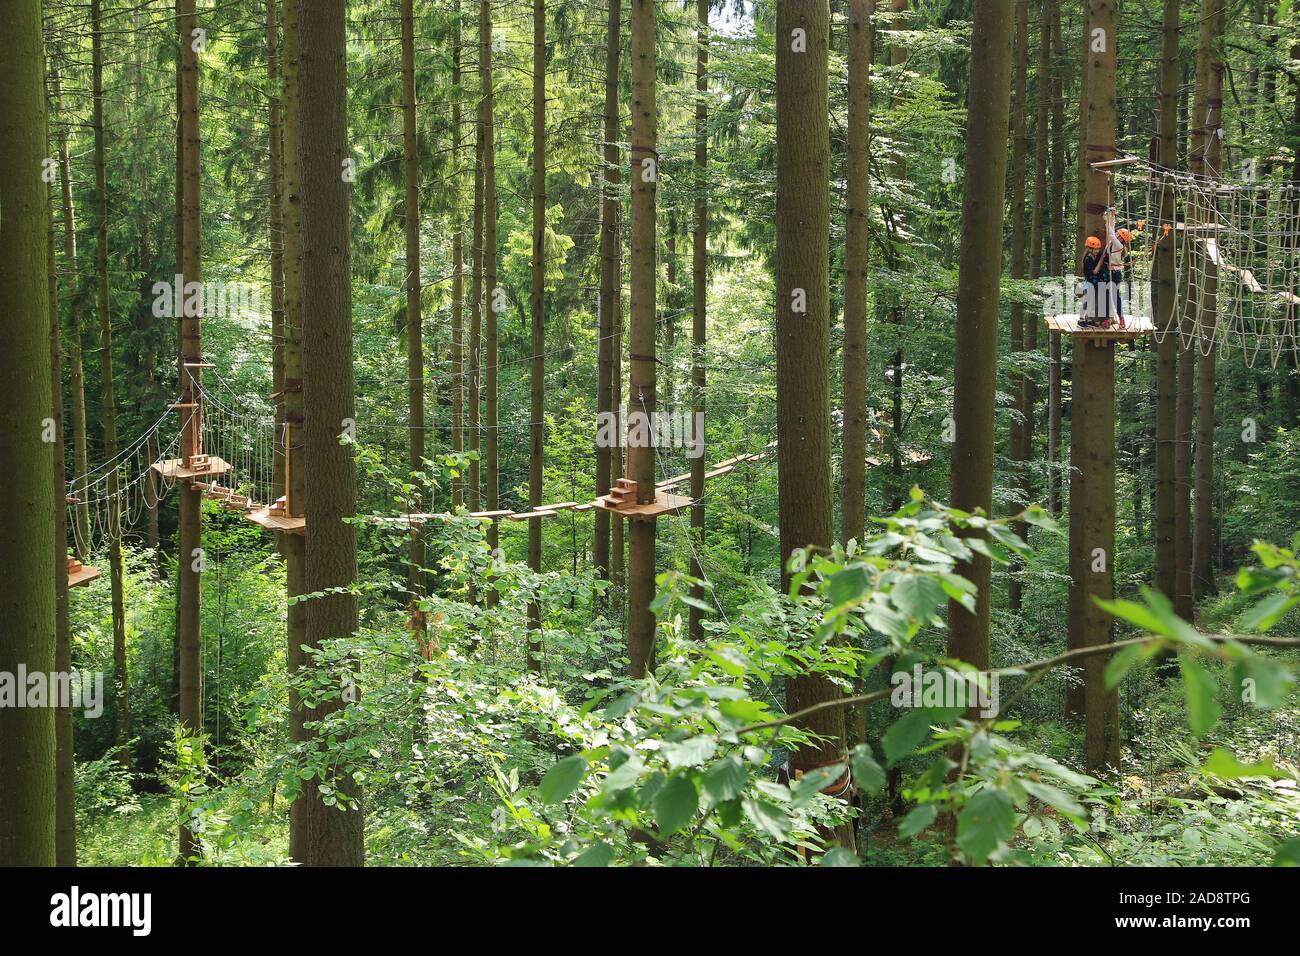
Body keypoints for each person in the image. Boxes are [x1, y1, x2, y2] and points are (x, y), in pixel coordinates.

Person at [1079, 234, 1107, 328]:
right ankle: (1081, 320)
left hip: (1095, 282)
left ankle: (1090, 319)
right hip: (1089, 282)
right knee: (1086, 301)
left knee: (1092, 301)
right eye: (1095, 249)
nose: (1097, 251)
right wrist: (1101, 261)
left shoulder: (1097, 255)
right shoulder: (1087, 259)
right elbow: (1094, 272)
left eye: (1098, 249)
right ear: (1089, 249)